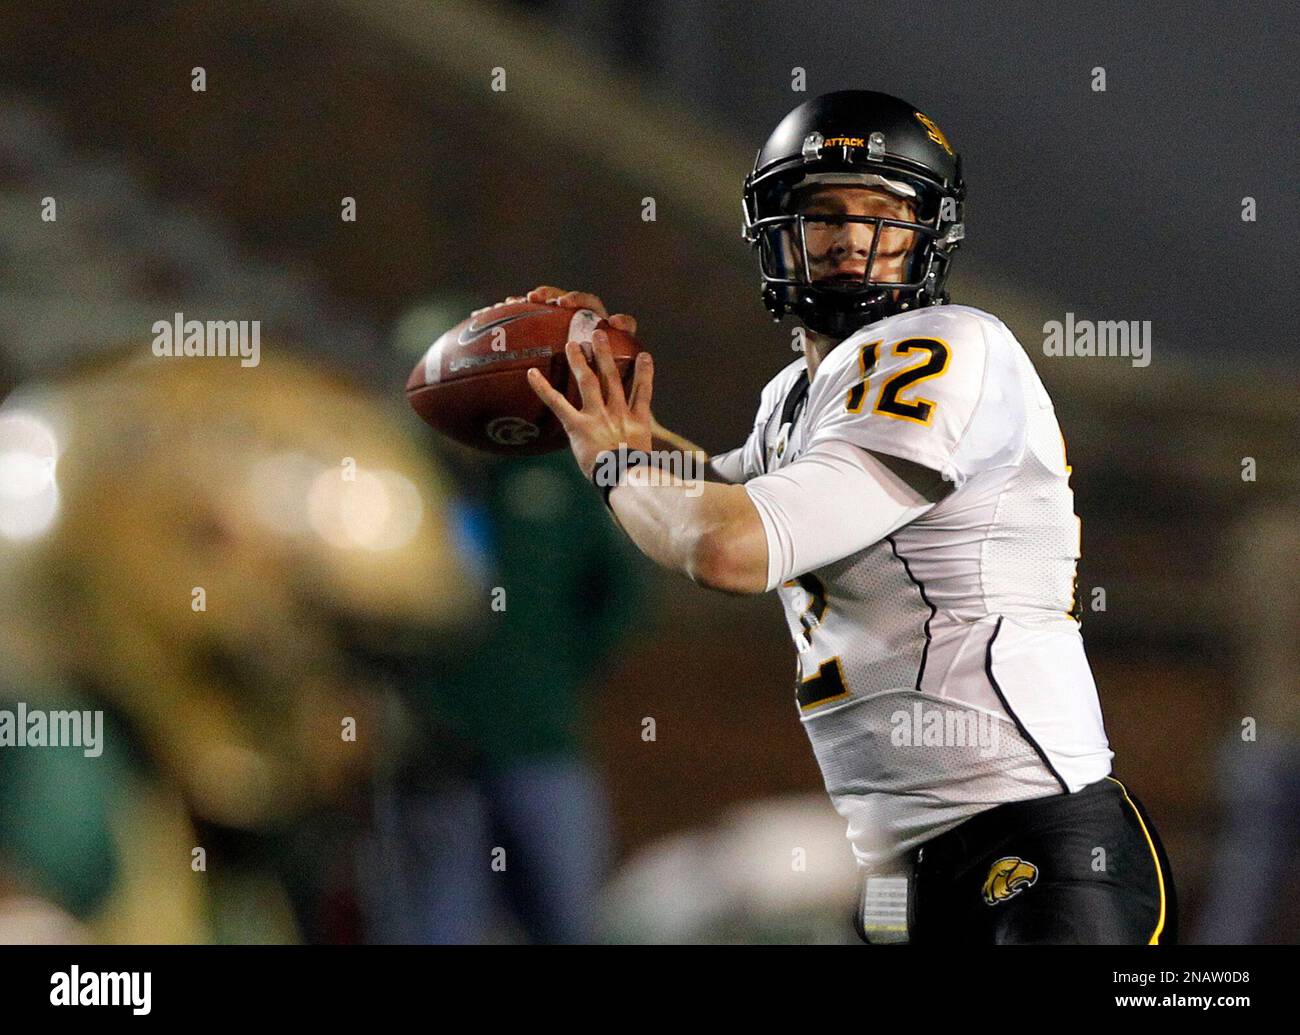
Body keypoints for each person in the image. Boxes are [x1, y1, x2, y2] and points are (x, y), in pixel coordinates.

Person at [512, 89, 1174, 945]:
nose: (855, 240)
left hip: (1033, 844)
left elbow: (724, 546)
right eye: (825, 213)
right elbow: (707, 495)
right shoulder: (796, 394)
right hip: (900, 875)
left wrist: (614, 458)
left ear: (929, 232)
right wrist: (604, 413)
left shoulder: (946, 349)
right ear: (775, 232)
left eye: (885, 215)